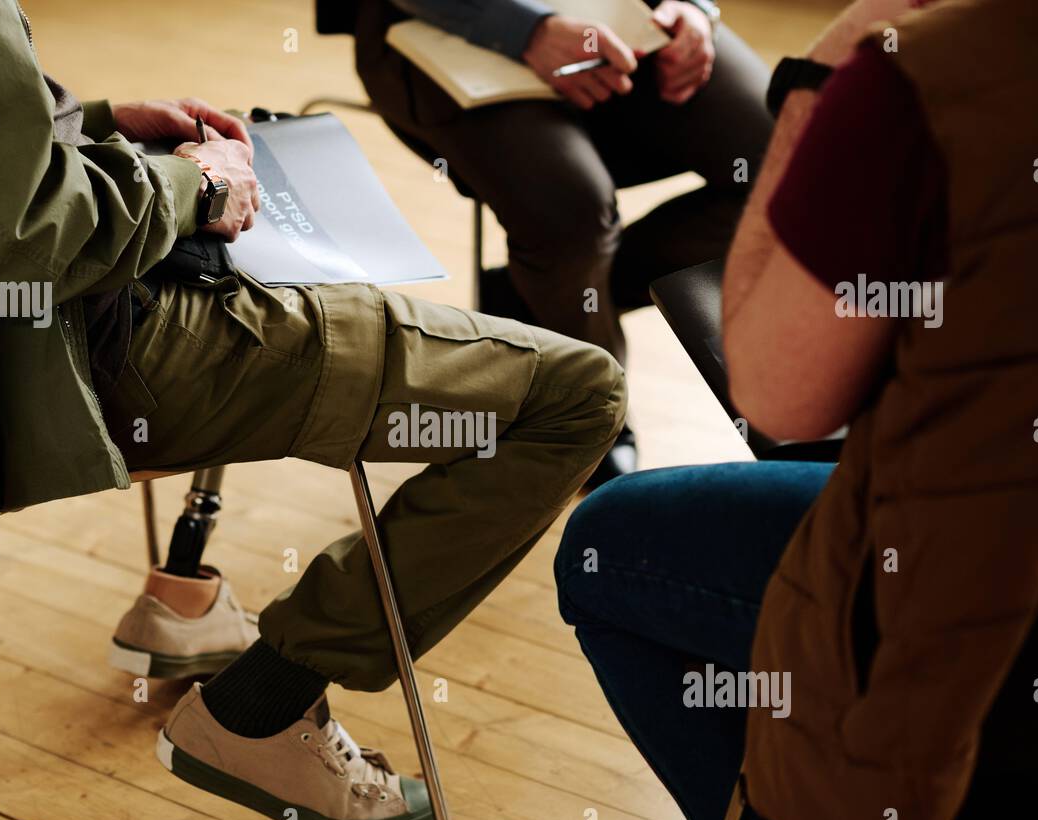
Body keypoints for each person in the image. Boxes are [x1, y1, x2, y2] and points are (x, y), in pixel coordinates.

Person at [0, 0, 625, 820]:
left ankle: (185, 603)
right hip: (66, 367)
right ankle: (260, 704)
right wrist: (202, 185)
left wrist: (107, 126)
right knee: (576, 394)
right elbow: (19, 237)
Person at [555, 0, 1038, 820]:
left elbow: (778, 394)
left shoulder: (928, 70)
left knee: (604, 546)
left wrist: (819, 85)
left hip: (1010, 633)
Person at [321, 0, 773, 486]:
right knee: (568, 211)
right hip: (431, 20)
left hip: (628, 14)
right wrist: (526, 30)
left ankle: (534, 301)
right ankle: (592, 407)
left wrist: (695, 8)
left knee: (787, 165)